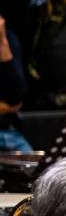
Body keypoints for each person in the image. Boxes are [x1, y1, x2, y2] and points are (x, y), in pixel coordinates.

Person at [0, 14, 33, 152]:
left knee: (38, 170)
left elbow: (16, 98)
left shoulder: (8, 38)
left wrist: (2, 43)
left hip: (8, 131)